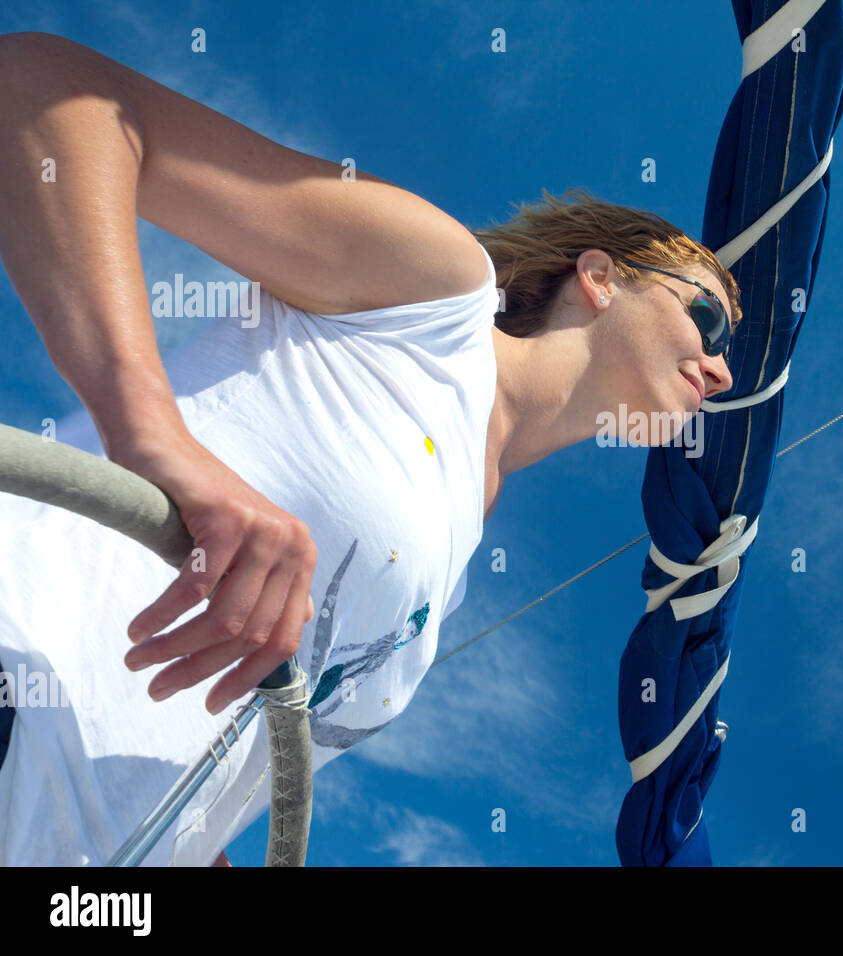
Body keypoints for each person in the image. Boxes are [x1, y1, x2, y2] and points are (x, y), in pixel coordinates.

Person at [0, 31, 741, 865]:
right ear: (600, 277)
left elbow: (209, 738)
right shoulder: (436, 296)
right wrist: (149, 431)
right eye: (707, 319)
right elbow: (50, 91)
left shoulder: (460, 558)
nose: (719, 367)